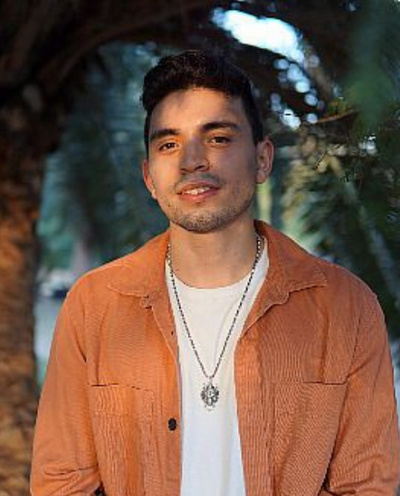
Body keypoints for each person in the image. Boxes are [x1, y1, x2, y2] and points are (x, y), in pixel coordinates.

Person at [31, 50, 400, 495]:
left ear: (262, 159)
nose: (192, 160)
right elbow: (61, 483)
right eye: (168, 144)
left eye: (218, 138)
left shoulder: (346, 308)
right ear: (149, 177)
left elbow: (368, 486)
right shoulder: (95, 305)